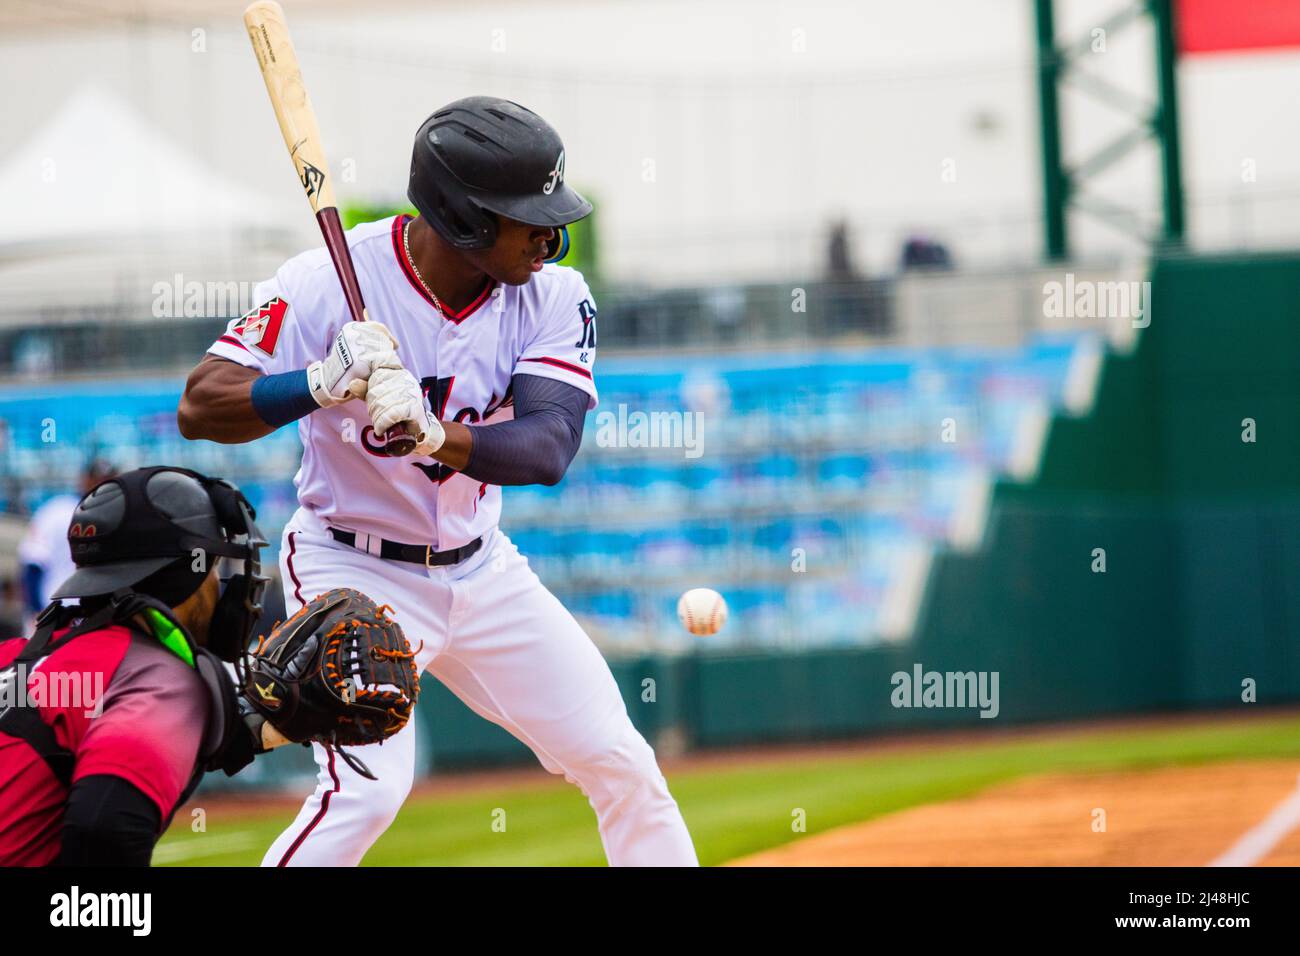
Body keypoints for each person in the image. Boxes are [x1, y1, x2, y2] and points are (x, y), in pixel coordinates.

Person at [178, 96, 697, 866]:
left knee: (621, 760)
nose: (552, 236)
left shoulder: (554, 294)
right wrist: (317, 383)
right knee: (367, 792)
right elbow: (201, 404)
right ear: (465, 220)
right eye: (531, 217)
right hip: (351, 565)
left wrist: (433, 433)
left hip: (483, 568)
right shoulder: (326, 279)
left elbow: (549, 447)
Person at [0, 466, 279, 866]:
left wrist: (262, 731)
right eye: (214, 566)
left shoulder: (12, 654)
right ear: (189, 573)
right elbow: (104, 830)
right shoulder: (160, 676)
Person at [17, 458, 116, 625]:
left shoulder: (117, 515)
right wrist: (35, 610)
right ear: (84, 479)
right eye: (96, 479)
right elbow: (33, 564)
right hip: (52, 612)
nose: (101, 485)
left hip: (94, 616)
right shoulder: (55, 511)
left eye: (107, 480)